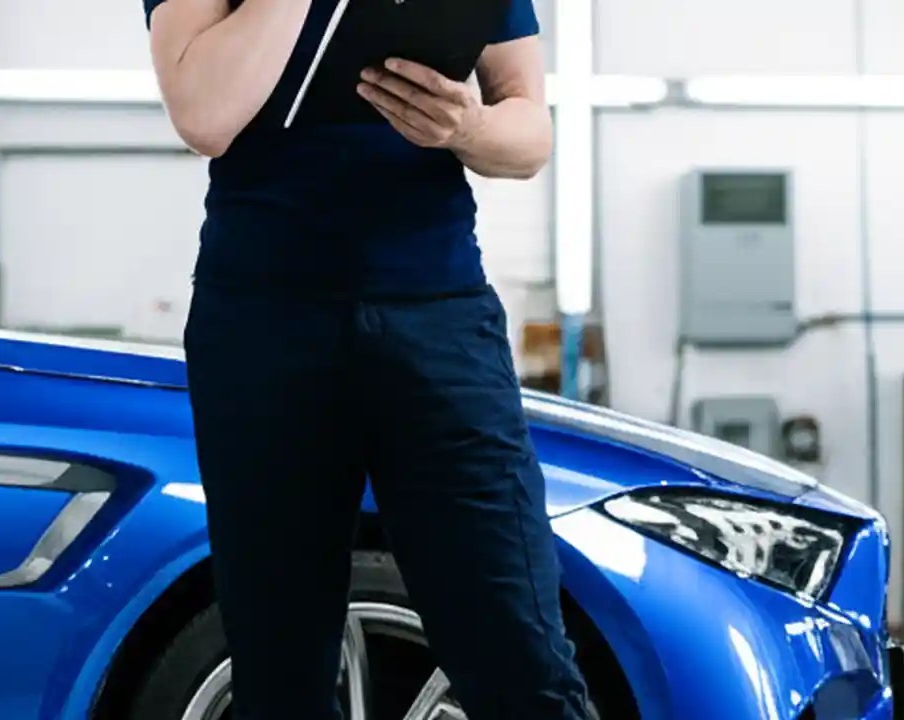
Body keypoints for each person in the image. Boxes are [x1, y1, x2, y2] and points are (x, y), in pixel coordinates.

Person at [143, 0, 591, 717]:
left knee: (518, 646)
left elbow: (530, 130)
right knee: (279, 661)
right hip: (263, 322)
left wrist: (467, 126)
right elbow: (204, 115)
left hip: (438, 313)